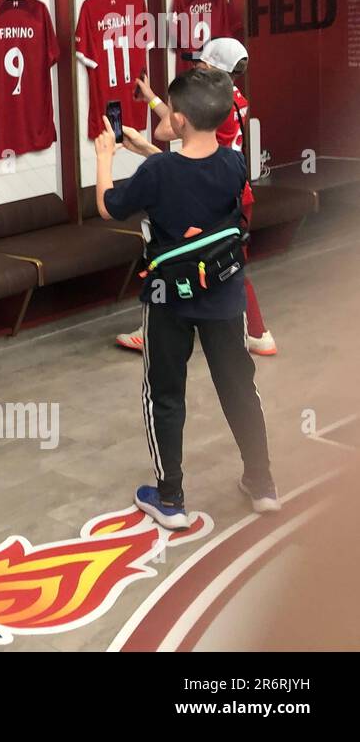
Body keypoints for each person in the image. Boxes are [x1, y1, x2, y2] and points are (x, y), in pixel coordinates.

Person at [96, 67, 279, 529]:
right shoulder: (233, 162)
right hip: (223, 293)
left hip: (167, 300)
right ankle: (262, 485)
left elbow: (109, 205)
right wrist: (151, 151)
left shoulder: (159, 172)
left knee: (165, 393)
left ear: (177, 121)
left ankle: (171, 498)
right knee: (239, 388)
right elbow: (194, 177)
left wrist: (105, 157)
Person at [114, 38, 274, 355]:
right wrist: (151, 97)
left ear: (214, 69)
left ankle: (155, 332)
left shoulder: (212, 105)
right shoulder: (234, 99)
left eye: (201, 64)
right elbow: (180, 122)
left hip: (209, 192)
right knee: (225, 261)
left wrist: (151, 123)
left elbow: (166, 130)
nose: (196, 68)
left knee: (170, 258)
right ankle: (257, 333)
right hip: (235, 191)